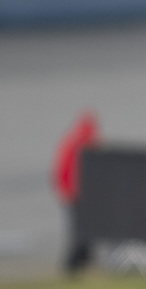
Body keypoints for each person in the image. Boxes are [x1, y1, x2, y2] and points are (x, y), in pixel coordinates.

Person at [51, 110, 100, 274]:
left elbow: (60, 169)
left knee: (78, 229)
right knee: (79, 229)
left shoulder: (71, 142)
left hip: (74, 193)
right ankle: (74, 260)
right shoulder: (84, 145)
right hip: (76, 194)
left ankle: (81, 258)